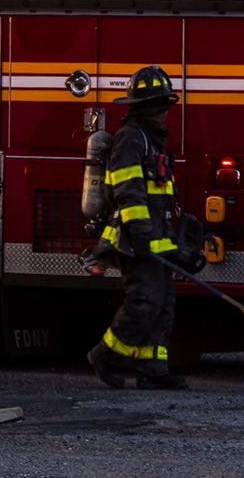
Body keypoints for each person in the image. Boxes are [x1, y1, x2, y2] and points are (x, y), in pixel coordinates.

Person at [86, 64, 188, 390]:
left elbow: (159, 194)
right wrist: (142, 234)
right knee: (143, 301)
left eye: (164, 106)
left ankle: (153, 368)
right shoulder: (132, 139)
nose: (163, 114)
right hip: (136, 238)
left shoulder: (152, 140)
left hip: (158, 236)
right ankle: (105, 356)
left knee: (163, 303)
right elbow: (128, 191)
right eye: (157, 107)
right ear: (143, 108)